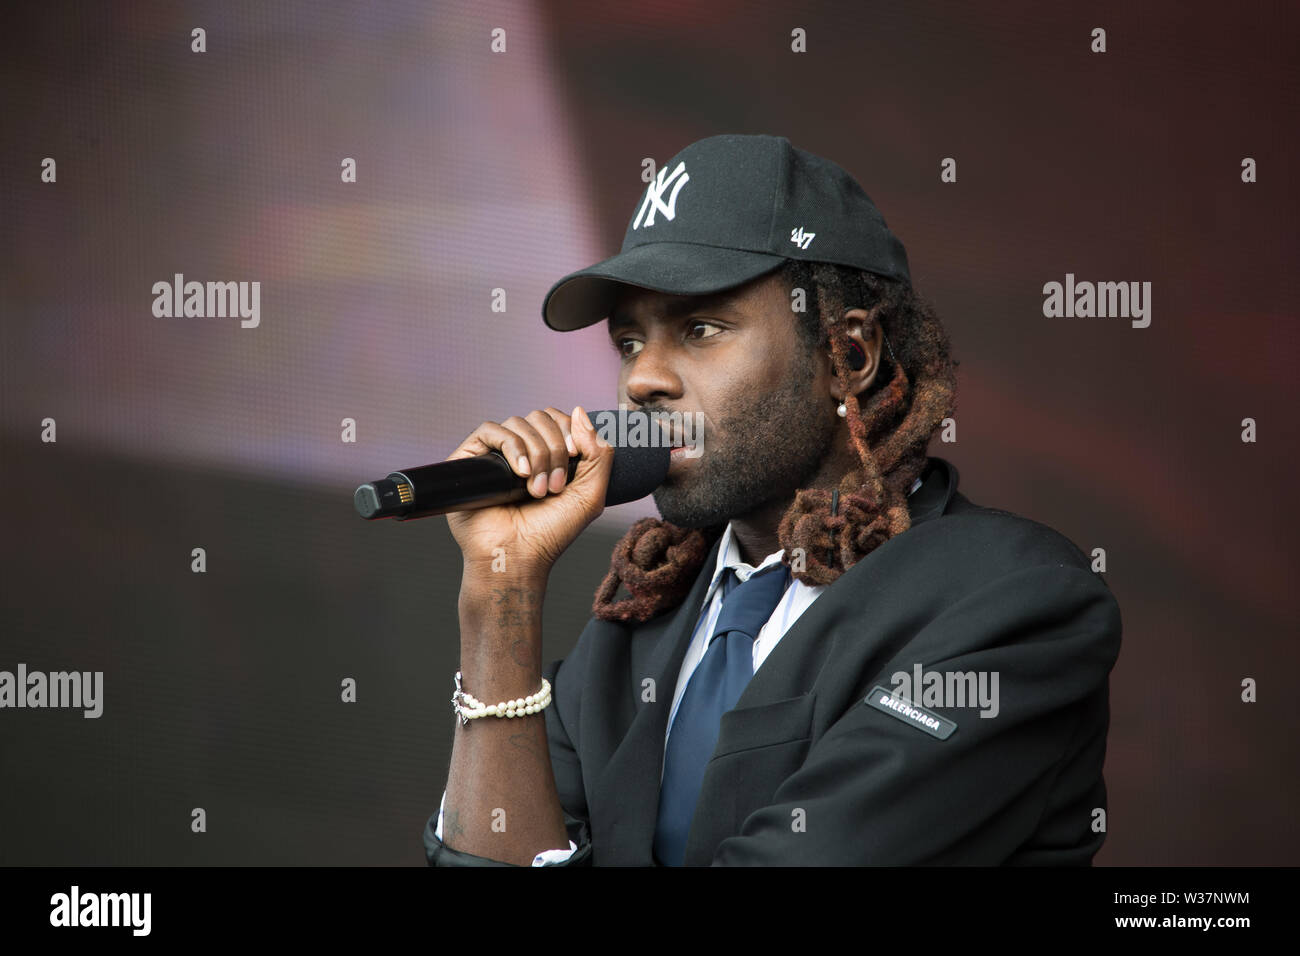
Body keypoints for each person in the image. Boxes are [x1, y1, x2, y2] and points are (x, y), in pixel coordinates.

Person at [422, 133, 1122, 866]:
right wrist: (500, 592)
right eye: (629, 342)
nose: (641, 381)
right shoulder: (627, 637)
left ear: (848, 355)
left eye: (700, 329)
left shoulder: (1013, 601)